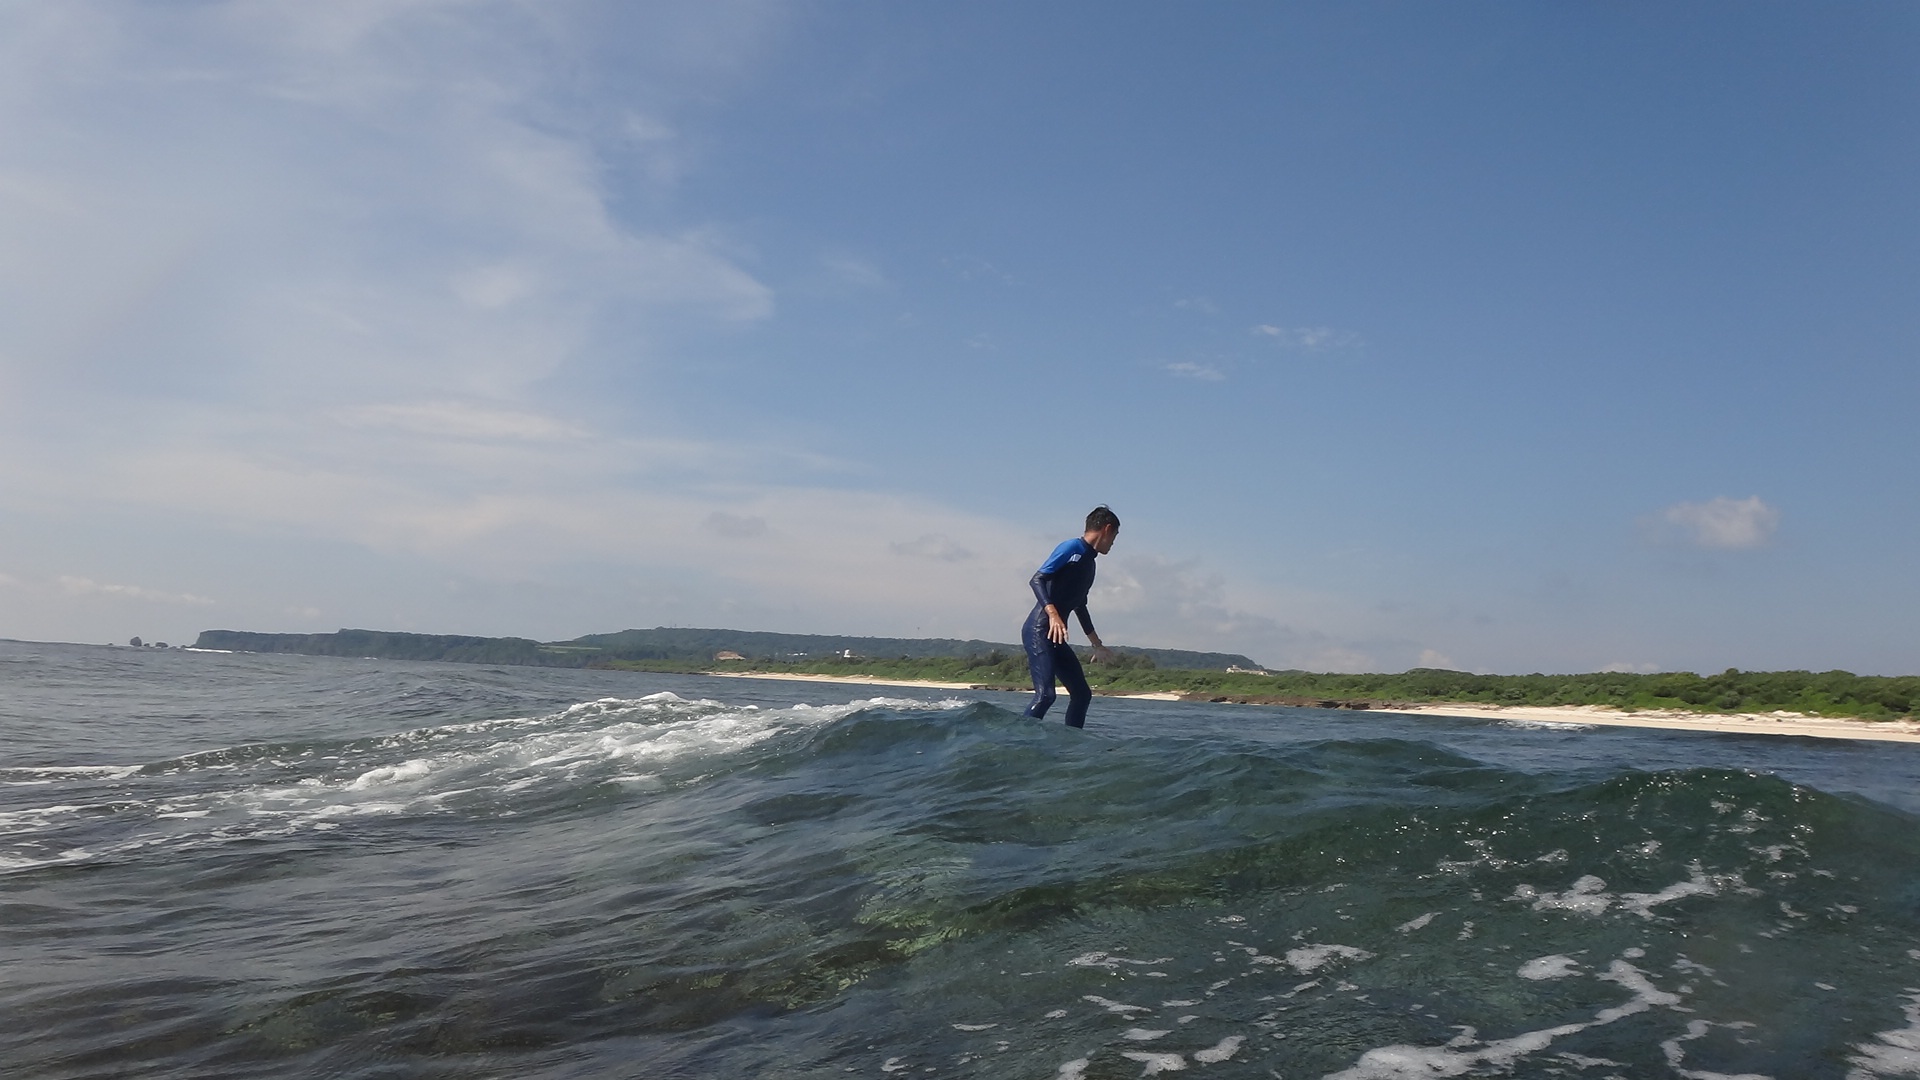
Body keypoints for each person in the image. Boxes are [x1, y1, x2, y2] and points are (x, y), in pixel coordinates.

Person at [1022, 505, 1119, 728]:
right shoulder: (1072, 547)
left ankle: (1071, 744)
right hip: (1039, 629)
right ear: (1106, 529)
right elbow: (1037, 579)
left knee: (1082, 695)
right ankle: (1018, 742)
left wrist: (1097, 644)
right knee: (1046, 695)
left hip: (1055, 637)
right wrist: (1053, 614)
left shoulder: (1090, 564)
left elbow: (1080, 605)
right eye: (1114, 537)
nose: (1113, 543)